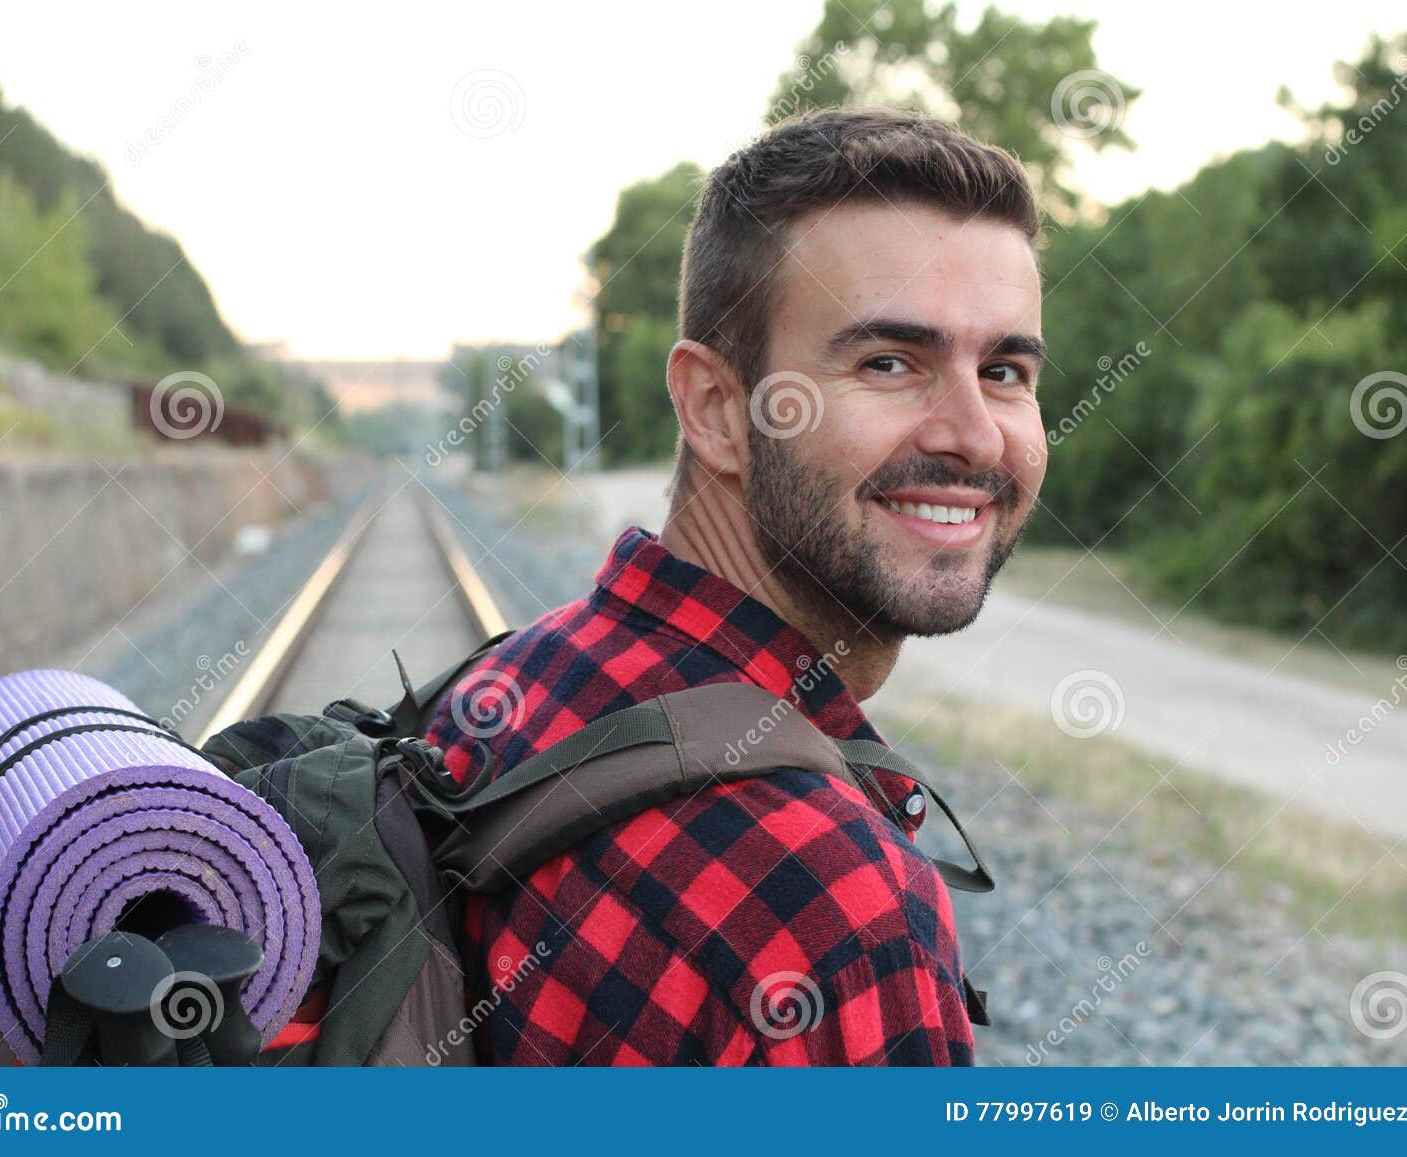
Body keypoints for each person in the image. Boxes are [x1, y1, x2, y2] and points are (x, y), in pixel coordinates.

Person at [425, 106, 1047, 1065]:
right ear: (716, 408)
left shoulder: (519, 675)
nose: (972, 432)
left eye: (1004, 370)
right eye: (890, 363)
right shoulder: (834, 908)